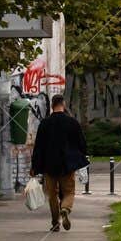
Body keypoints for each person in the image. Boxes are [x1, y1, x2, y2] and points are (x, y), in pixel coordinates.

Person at [30, 93, 88, 231]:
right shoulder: (72, 122)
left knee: (52, 195)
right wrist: (80, 158)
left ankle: (55, 223)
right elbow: (82, 144)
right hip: (68, 165)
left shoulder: (45, 124)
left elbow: (38, 147)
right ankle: (65, 209)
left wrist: (35, 167)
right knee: (69, 192)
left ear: (52, 105)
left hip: (49, 166)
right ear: (64, 104)